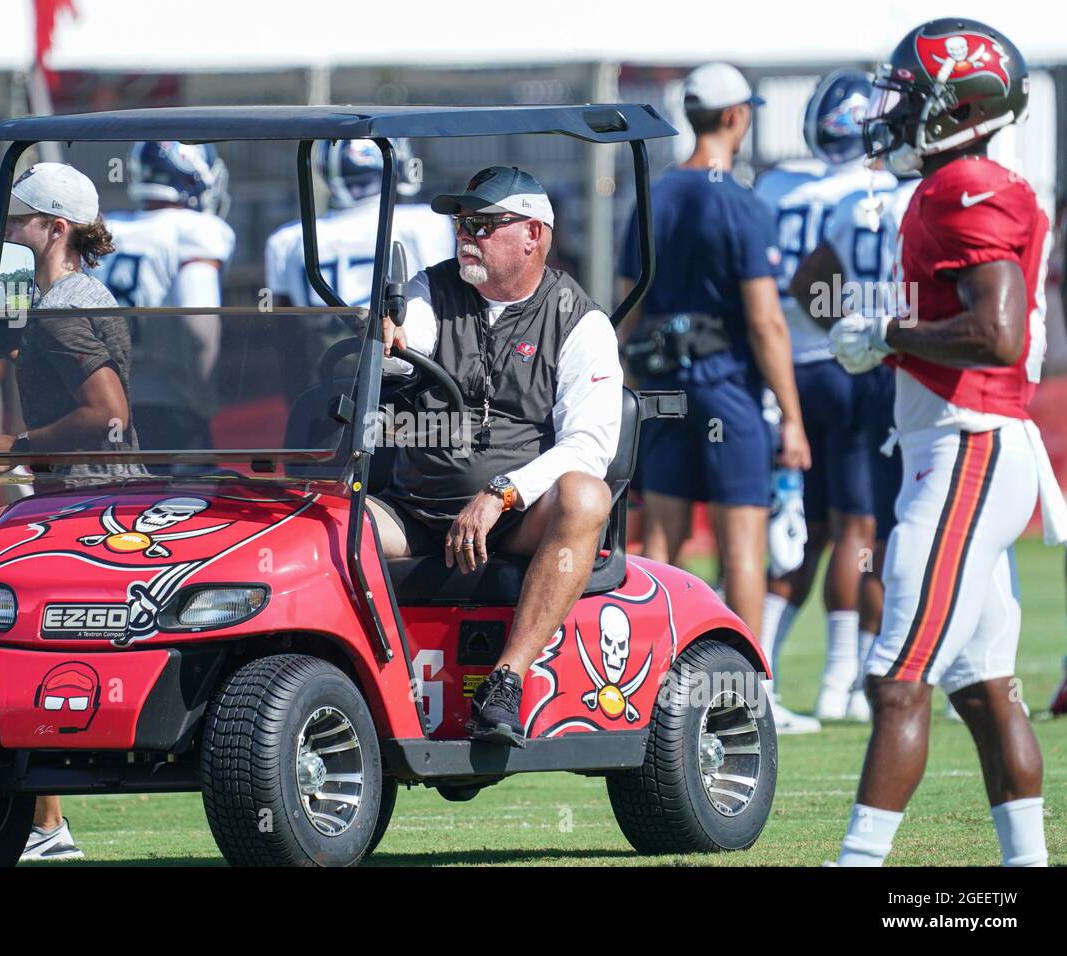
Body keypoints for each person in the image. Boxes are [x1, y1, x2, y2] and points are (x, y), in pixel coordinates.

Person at [828, 18, 1061, 867]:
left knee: (897, 675)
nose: (890, 113)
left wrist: (889, 333)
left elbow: (995, 334)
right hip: (963, 445)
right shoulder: (952, 184)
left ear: (957, 107)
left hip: (970, 447)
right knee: (982, 685)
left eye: (908, 97)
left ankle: (857, 865)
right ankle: (1028, 865)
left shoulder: (964, 184)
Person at [375, 165, 622, 747]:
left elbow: (591, 444)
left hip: (513, 520)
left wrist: (501, 493)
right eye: (462, 223)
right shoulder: (429, 291)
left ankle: (506, 680)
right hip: (413, 510)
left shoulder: (581, 321)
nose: (466, 235)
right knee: (331, 523)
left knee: (588, 495)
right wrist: (381, 342)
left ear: (534, 234)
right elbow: (411, 344)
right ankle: (343, 682)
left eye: (484, 224)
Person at [620, 63, 810, 647]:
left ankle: (650, 683)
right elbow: (765, 320)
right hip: (727, 383)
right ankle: (749, 699)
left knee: (659, 547)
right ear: (736, 116)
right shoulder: (741, 202)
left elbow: (630, 300)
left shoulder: (653, 196)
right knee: (743, 550)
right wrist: (793, 419)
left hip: (662, 385)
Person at [0, 161, 133, 860]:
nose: (8, 227)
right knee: (20, 643)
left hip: (80, 502)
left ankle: (47, 824)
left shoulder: (64, 307)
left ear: (56, 228)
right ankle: (45, 820)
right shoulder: (76, 297)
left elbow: (106, 413)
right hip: (87, 497)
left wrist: (14, 444)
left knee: (11, 639)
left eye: (20, 218)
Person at [753, 71, 899, 731]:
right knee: (860, 529)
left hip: (783, 367)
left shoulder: (777, 183)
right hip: (851, 366)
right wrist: (851, 325)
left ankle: (762, 671)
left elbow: (784, 276)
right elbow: (825, 277)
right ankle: (843, 681)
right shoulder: (882, 190)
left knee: (802, 532)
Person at [92, 141, 234, 450]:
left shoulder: (109, 229)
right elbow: (199, 328)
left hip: (104, 403)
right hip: (172, 407)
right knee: (186, 498)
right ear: (190, 177)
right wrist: (203, 399)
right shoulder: (196, 230)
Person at [265, 138, 453, 308]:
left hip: (322, 344)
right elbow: (445, 299)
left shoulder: (285, 239)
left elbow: (281, 321)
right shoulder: (425, 222)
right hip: (398, 344)